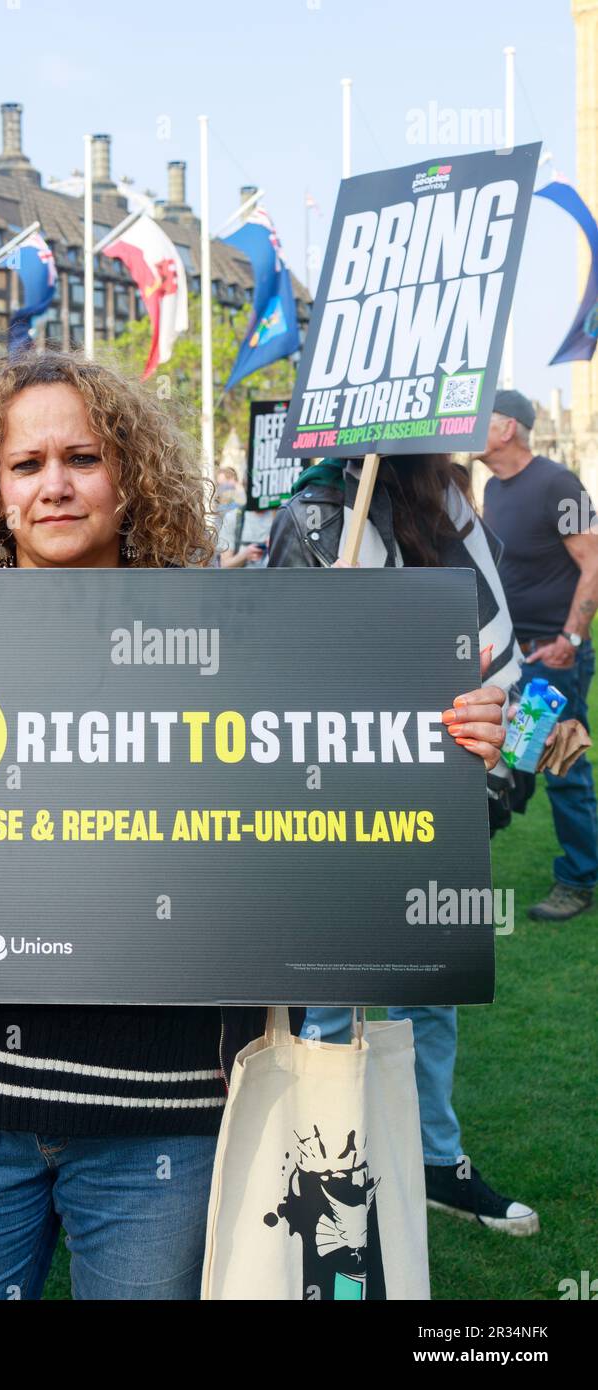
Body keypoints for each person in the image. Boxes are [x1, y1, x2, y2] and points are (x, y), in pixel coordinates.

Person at [0, 351, 505, 1300]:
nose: (54, 485)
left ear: (128, 474)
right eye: (26, 464)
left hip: (163, 1124)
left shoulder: (229, 640)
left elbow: (348, 810)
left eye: (81, 457)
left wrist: (445, 751)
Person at [269, 453, 539, 1236]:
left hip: (437, 787)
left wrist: (510, 744)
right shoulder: (314, 509)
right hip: (336, 793)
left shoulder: (447, 499)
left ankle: (434, 1161)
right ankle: (327, 1177)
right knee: (330, 996)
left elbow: (491, 634)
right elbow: (275, 665)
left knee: (430, 988)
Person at [479, 388, 598, 921]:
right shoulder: (494, 490)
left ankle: (578, 879)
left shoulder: (557, 482)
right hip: (516, 662)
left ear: (508, 429)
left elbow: (594, 562)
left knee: (563, 767)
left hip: (554, 661)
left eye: (483, 419)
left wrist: (570, 642)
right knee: (513, 761)